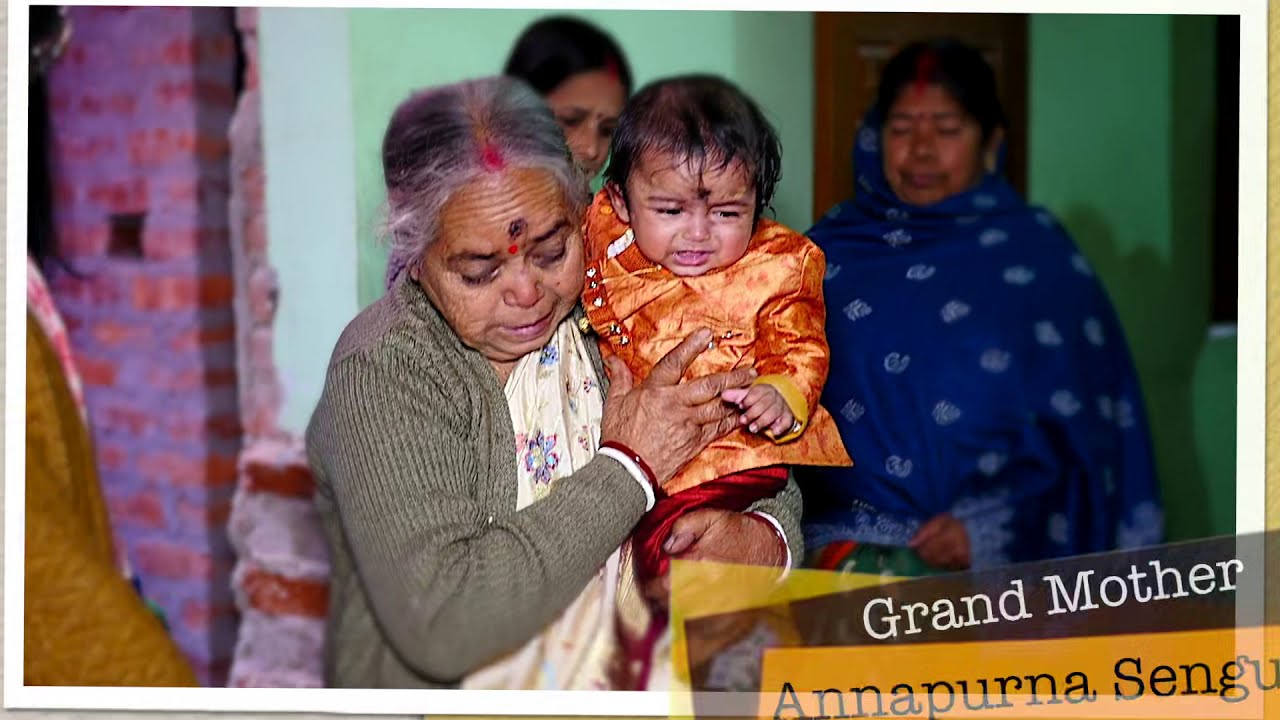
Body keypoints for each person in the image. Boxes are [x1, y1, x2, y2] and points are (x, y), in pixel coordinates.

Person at [306, 75, 801, 690]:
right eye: (480, 270)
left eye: (550, 250)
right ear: (417, 250)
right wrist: (629, 466)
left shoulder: (622, 304)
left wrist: (762, 541)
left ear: (585, 209)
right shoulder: (387, 370)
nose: (526, 292)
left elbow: (757, 458)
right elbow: (444, 627)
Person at [800, 39, 1162, 575]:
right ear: (875, 139)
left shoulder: (1040, 260)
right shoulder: (825, 256)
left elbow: (1094, 436)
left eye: (947, 130)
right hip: (841, 569)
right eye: (901, 129)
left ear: (990, 142)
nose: (921, 150)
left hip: (1002, 575)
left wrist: (989, 528)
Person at [581, 74, 851, 588]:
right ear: (620, 202)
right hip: (639, 467)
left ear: (757, 203)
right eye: (670, 210)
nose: (699, 234)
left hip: (734, 467)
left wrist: (780, 392)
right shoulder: (603, 247)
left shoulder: (774, 267)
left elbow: (801, 344)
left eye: (727, 212)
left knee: (675, 567)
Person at [504, 15, 632, 180]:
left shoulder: (610, 204)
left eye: (607, 130)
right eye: (570, 120)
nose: (591, 149)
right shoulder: (472, 199)